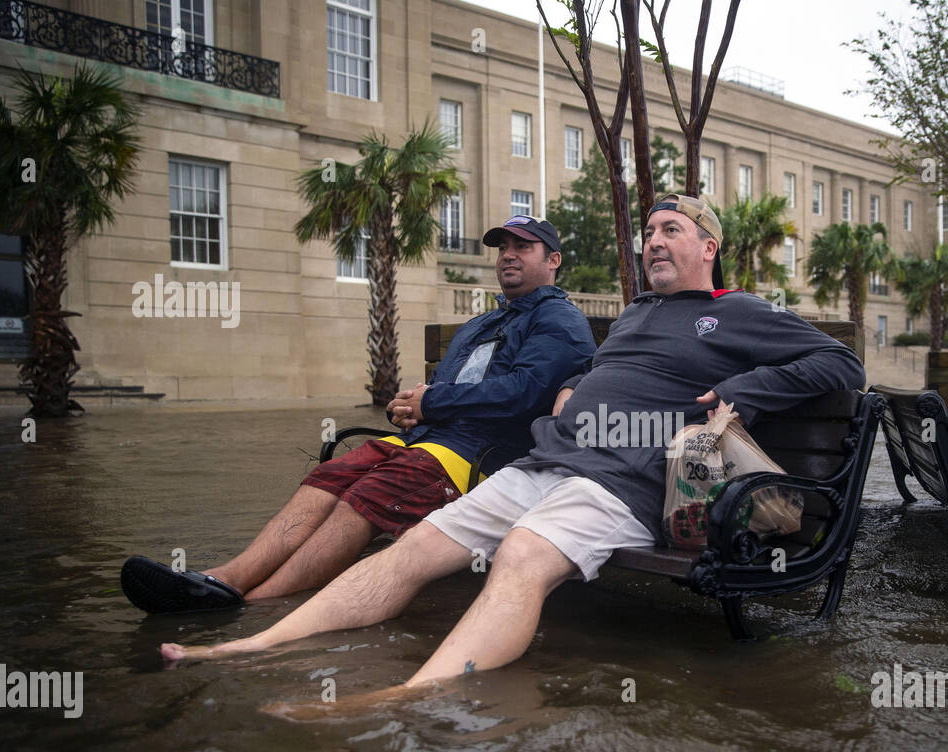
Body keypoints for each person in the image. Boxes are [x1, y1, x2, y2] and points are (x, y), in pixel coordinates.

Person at [160, 194, 866, 697]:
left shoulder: (738, 312)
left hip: (624, 483)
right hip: (546, 463)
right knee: (413, 549)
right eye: (648, 230)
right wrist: (578, 383)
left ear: (707, 247)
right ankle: (253, 643)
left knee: (523, 556)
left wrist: (749, 388)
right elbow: (609, 370)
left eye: (671, 229)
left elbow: (843, 366)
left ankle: (411, 694)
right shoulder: (635, 315)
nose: (653, 239)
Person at [122, 216, 594, 613]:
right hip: (427, 443)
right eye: (503, 247)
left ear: (552, 260)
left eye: (523, 247)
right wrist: (409, 408)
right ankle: (223, 578)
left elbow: (523, 395)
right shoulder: (481, 324)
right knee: (331, 475)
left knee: (370, 491)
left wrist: (432, 403)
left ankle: (253, 607)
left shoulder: (558, 320)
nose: (508, 255)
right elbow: (445, 390)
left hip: (484, 458)